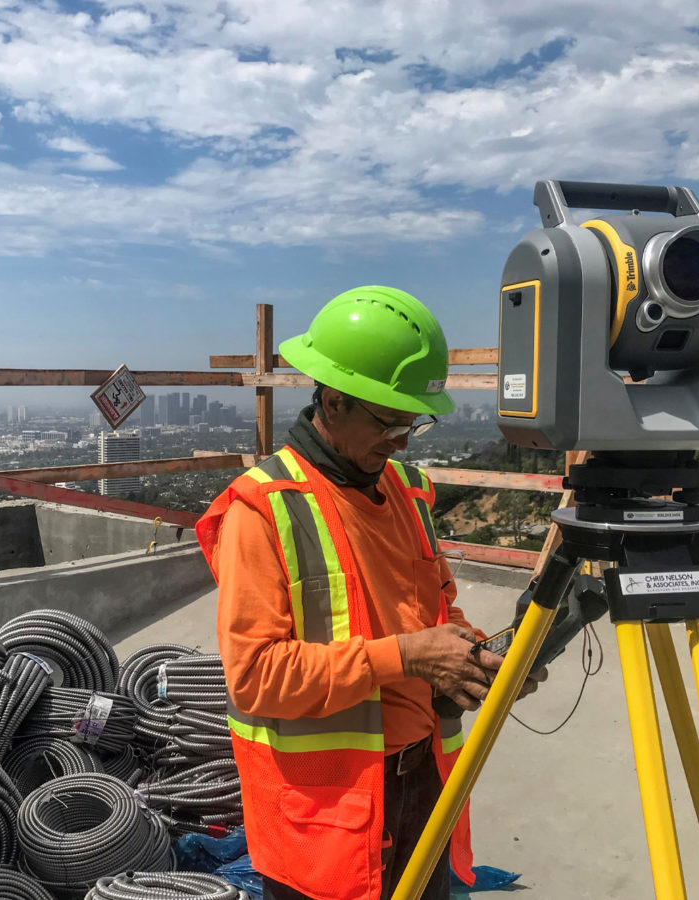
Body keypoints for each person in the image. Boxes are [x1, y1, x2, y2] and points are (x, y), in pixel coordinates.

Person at [197, 286, 546, 900]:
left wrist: (477, 658)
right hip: (327, 812)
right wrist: (408, 656)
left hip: (424, 782)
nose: (404, 440)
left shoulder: (409, 492)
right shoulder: (263, 508)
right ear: (333, 401)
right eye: (389, 421)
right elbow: (254, 676)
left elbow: (437, 609)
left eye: (414, 420)